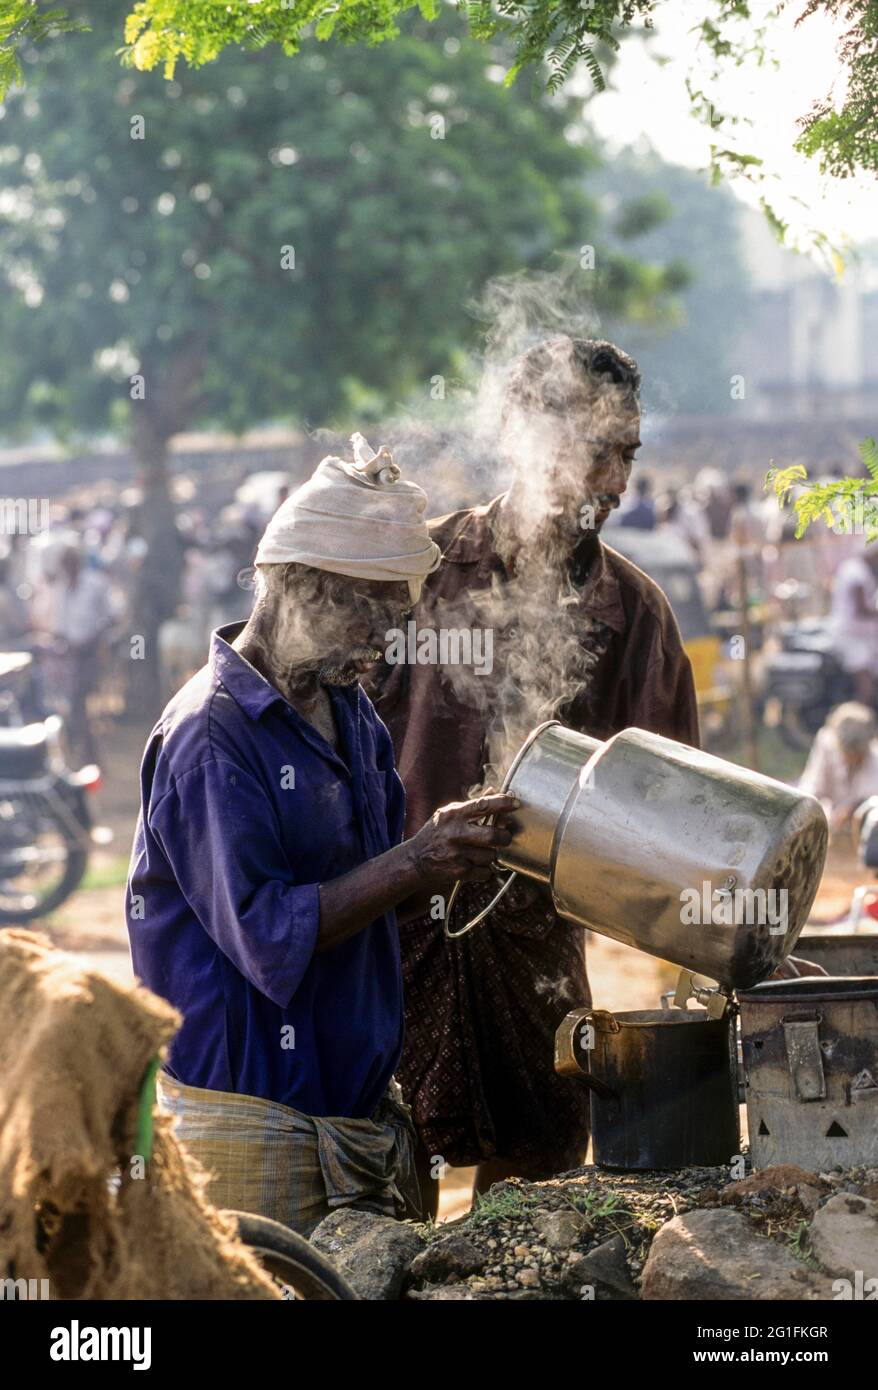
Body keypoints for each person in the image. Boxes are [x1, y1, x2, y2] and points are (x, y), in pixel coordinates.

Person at [125, 439, 517, 1237]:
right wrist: (415, 860)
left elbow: (367, 895)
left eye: (395, 614)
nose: (383, 639)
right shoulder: (212, 737)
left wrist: (441, 868)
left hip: (357, 1122)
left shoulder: (346, 711)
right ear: (296, 585)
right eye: (366, 608)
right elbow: (270, 937)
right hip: (251, 1131)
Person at [369, 336, 700, 1217]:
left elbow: (681, 816)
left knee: (536, 1196)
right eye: (598, 450)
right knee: (386, 1179)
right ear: (525, 437)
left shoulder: (632, 614)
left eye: (628, 453)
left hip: (543, 952)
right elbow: (334, 744)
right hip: (398, 934)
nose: (618, 480)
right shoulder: (416, 575)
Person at [799, 702, 878, 832]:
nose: (852, 758)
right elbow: (812, 785)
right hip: (830, 820)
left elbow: (873, 796)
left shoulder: (874, 756)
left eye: (857, 754)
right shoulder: (826, 743)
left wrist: (852, 809)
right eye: (848, 753)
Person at [829, 546, 878, 705]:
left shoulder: (853, 566)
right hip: (851, 637)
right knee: (866, 687)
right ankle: (855, 724)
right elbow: (861, 609)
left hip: (856, 635)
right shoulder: (857, 572)